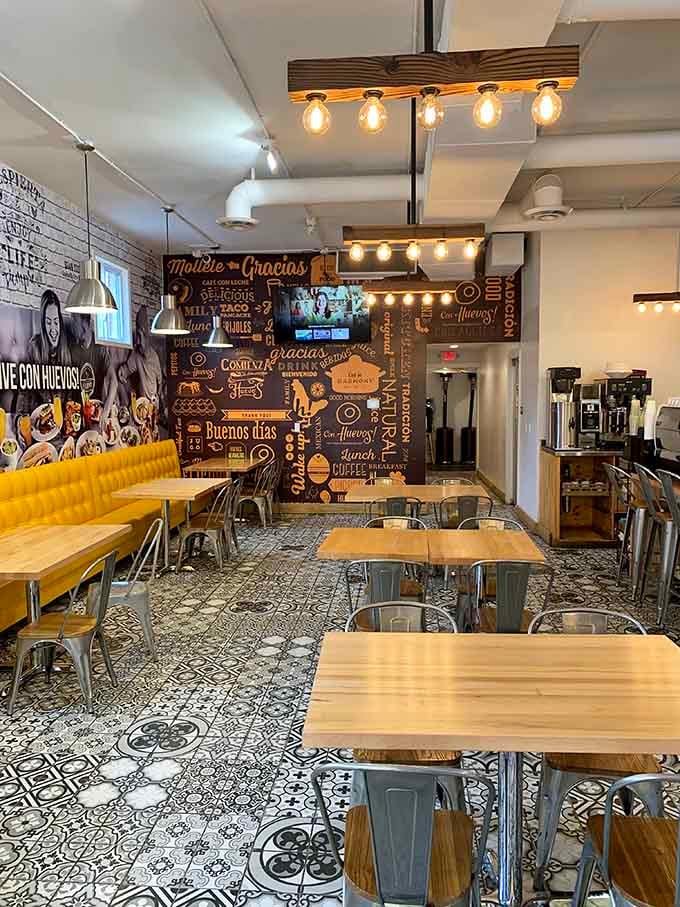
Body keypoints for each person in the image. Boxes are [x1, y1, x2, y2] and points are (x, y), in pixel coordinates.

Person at [28, 290, 71, 367]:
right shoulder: (35, 346)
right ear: (43, 325)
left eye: (56, 322)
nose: (53, 329)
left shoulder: (65, 346)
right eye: (48, 322)